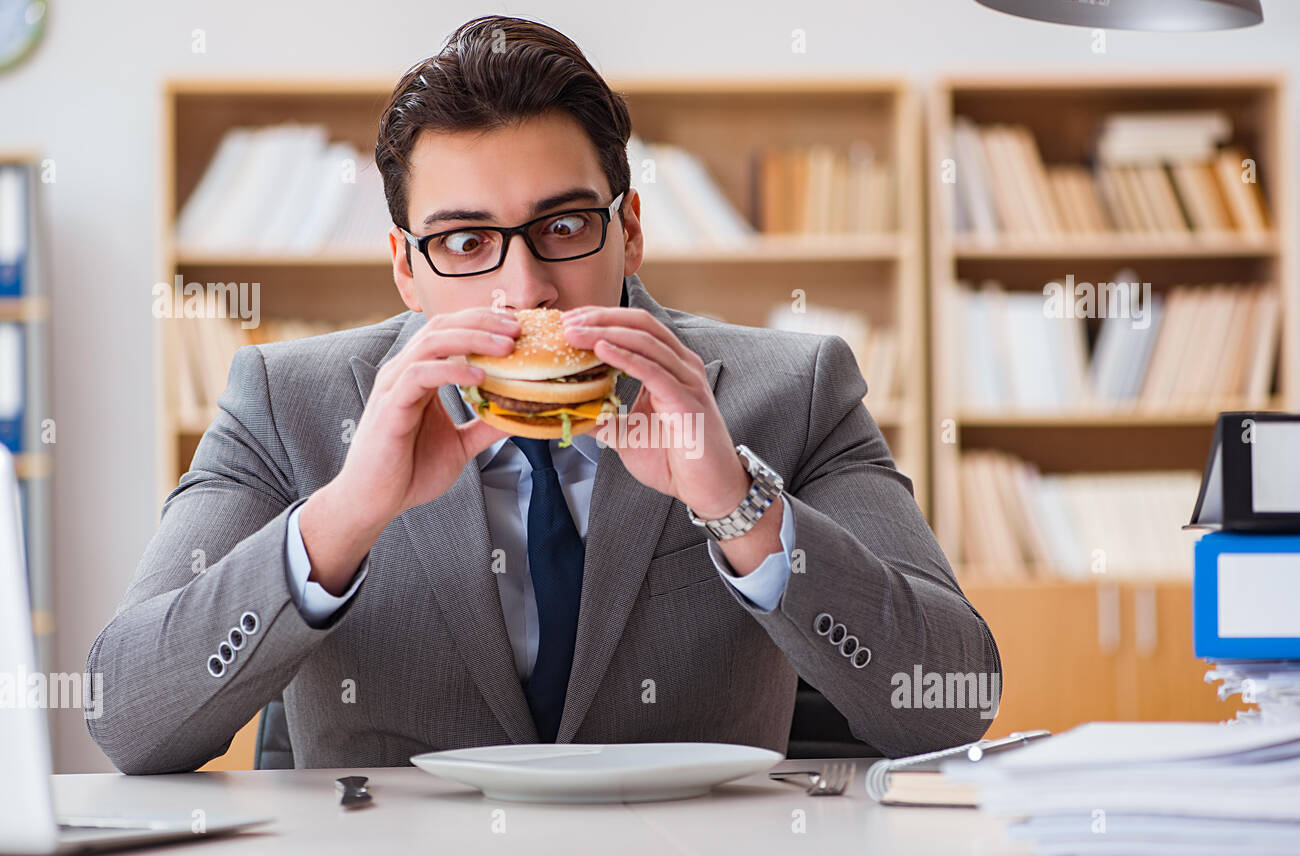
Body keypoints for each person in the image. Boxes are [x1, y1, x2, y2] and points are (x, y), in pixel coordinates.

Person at [86, 14, 1000, 773]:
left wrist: (739, 506)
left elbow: (955, 703)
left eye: (562, 226)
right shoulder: (285, 401)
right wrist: (345, 518)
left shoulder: (793, 391)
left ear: (629, 230)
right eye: (465, 241)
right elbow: (127, 720)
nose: (523, 290)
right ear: (406, 266)